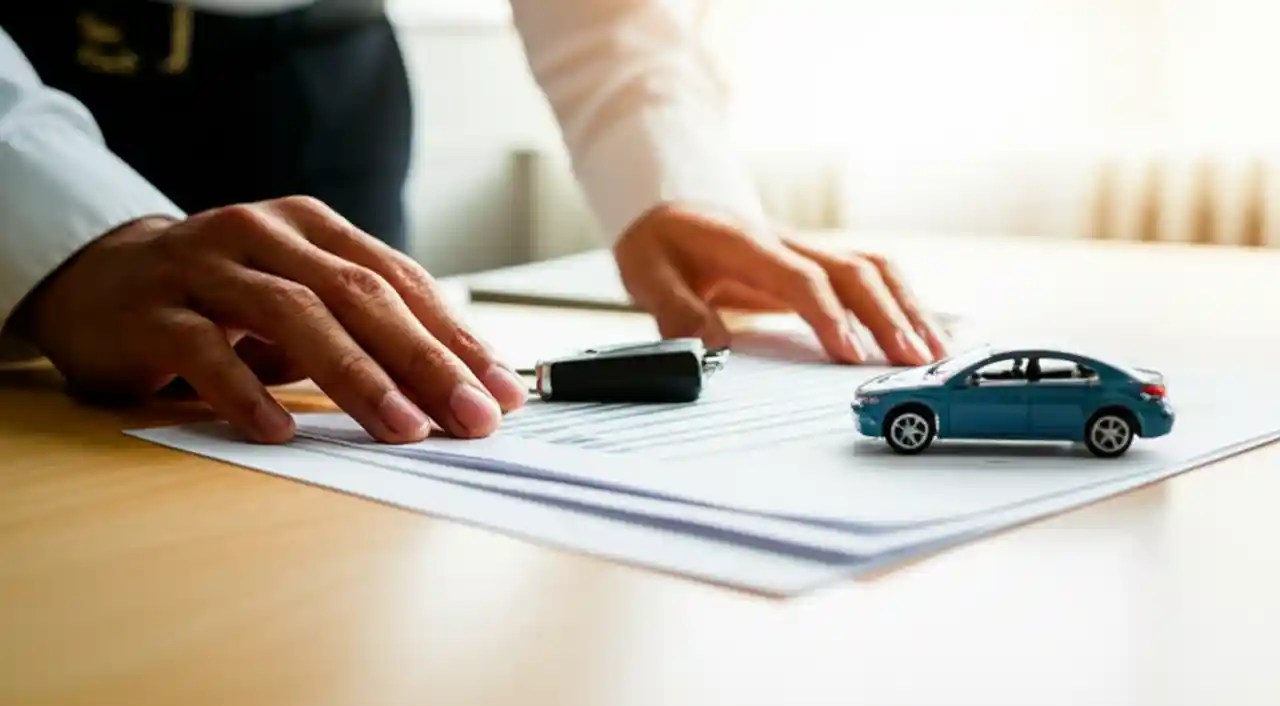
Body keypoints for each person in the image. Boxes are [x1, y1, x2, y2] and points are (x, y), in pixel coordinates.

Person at [0, 0, 948, 445]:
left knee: (362, 428)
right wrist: (61, 227)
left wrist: (670, 168)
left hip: (324, 75)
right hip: (35, 72)